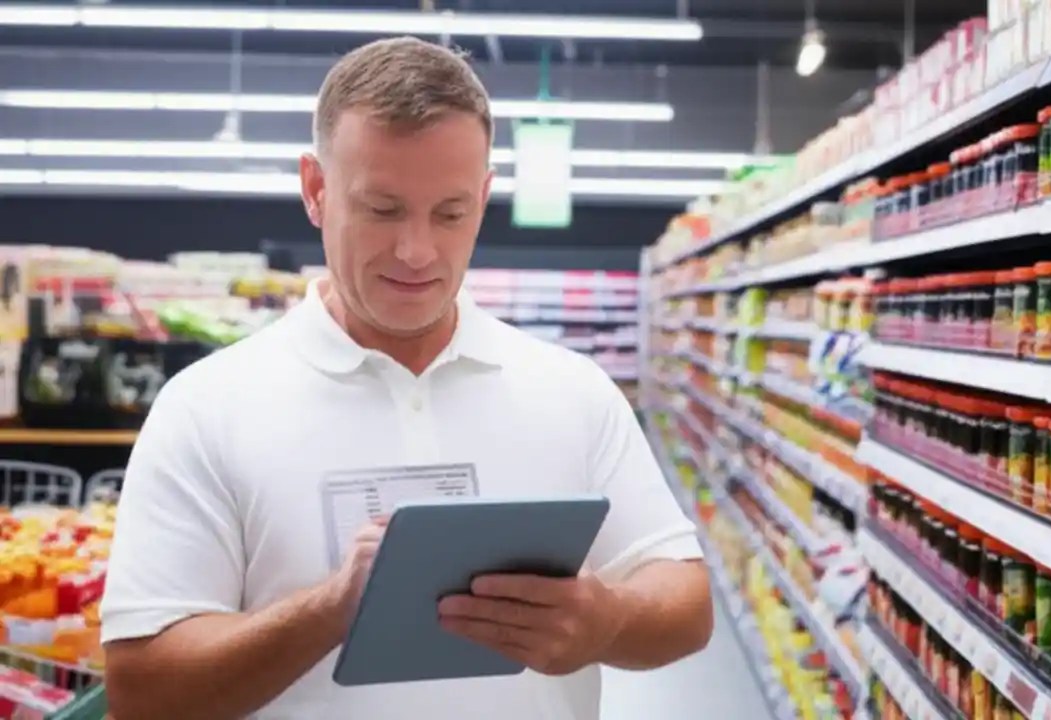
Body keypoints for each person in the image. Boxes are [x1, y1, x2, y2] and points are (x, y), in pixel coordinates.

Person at [100, 36, 712, 720]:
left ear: (483, 198)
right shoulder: (205, 408)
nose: (417, 252)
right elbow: (141, 689)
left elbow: (686, 603)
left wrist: (610, 620)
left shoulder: (573, 391)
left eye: (451, 213)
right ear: (315, 190)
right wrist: (333, 609)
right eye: (382, 209)